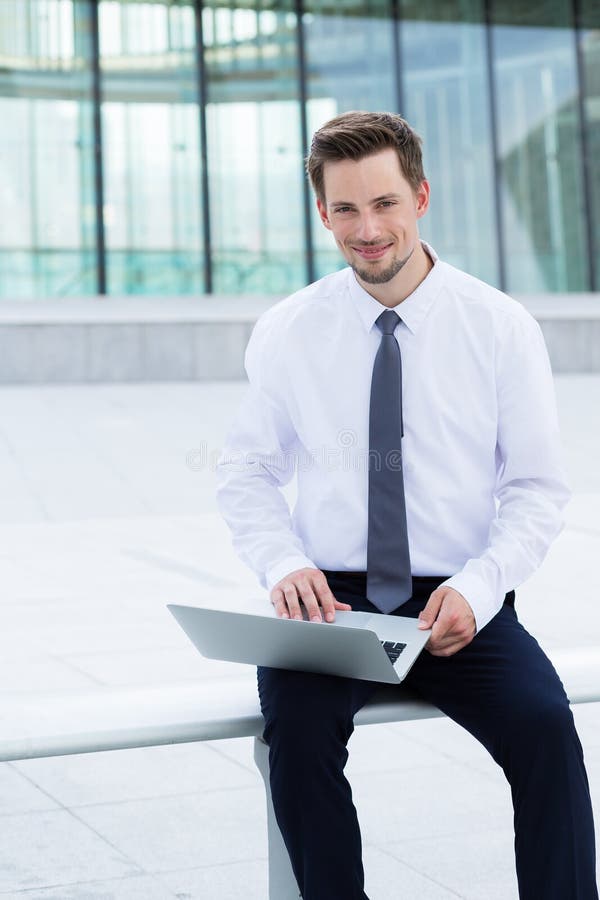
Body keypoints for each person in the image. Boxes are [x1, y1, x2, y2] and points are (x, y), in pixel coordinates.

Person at [215, 110, 598, 899]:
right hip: (334, 602)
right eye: (346, 209)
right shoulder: (289, 330)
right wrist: (284, 563)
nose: (367, 228)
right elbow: (245, 471)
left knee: (547, 735)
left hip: (460, 596)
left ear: (421, 197)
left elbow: (534, 490)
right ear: (322, 213)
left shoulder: (499, 328)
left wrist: (481, 586)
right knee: (299, 736)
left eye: (385, 203)